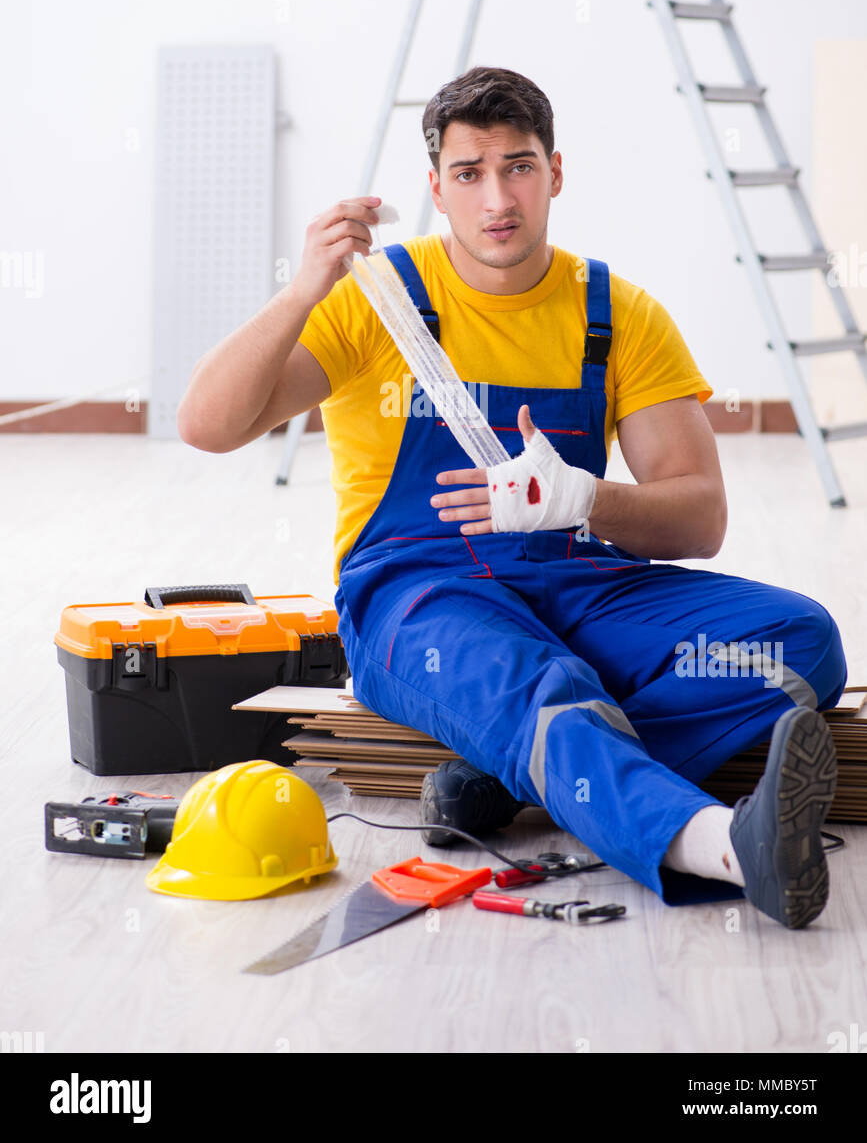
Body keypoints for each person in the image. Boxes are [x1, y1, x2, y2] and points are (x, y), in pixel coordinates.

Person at [178, 65, 847, 929]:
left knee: (796, 647)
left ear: (554, 172)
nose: (497, 197)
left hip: (575, 580)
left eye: (518, 167)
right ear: (437, 189)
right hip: (419, 599)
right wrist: (304, 287)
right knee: (547, 682)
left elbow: (700, 519)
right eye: (469, 173)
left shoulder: (614, 314)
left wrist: (581, 500)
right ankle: (723, 845)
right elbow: (206, 423)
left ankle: (508, 767)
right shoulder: (377, 303)